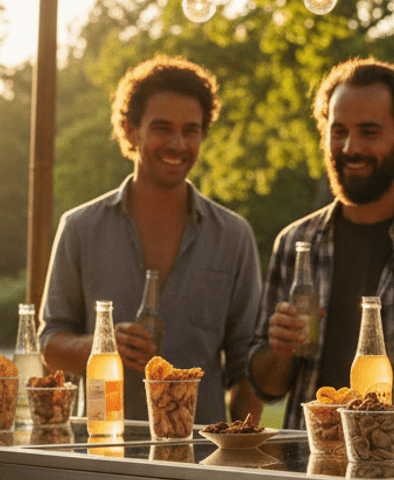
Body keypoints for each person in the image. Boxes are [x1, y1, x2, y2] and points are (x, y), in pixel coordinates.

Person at [248, 57, 394, 436]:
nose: (350, 147)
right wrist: (280, 350)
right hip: (310, 473)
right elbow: (268, 387)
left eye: (369, 132)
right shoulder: (295, 243)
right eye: (338, 130)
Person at [40, 56, 263, 425]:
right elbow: (49, 343)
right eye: (162, 128)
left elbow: (245, 363)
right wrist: (102, 345)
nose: (177, 144)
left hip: (201, 461)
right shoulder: (79, 227)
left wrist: (245, 455)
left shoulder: (234, 236)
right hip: (102, 452)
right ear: (130, 130)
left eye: (191, 130)